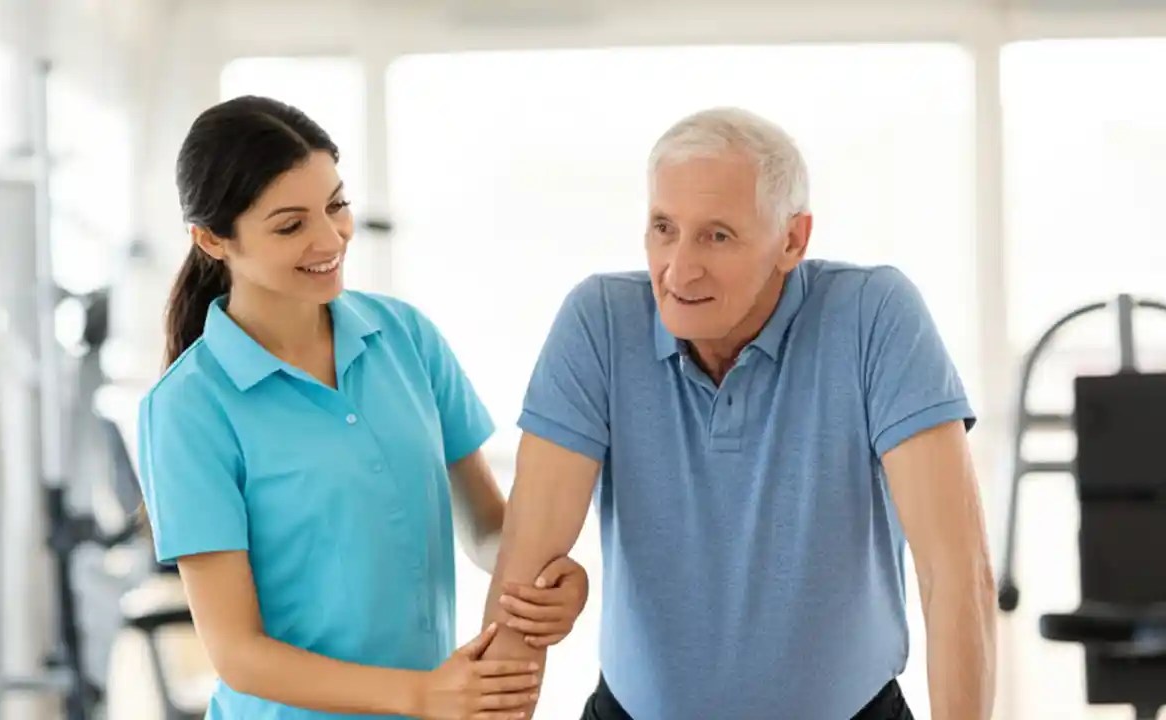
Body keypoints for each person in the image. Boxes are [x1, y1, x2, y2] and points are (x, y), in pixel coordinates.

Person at [479, 107, 997, 719]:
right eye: (664, 228)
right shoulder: (598, 321)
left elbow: (954, 576)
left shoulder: (875, 314)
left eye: (716, 235)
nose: (679, 268)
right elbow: (524, 584)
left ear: (792, 240)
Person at [135, 95, 589, 720]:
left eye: (337, 205)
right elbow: (237, 652)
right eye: (291, 225)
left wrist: (547, 583)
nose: (330, 238)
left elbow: (488, 528)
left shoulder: (405, 336)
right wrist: (421, 695)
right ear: (213, 239)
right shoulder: (188, 407)